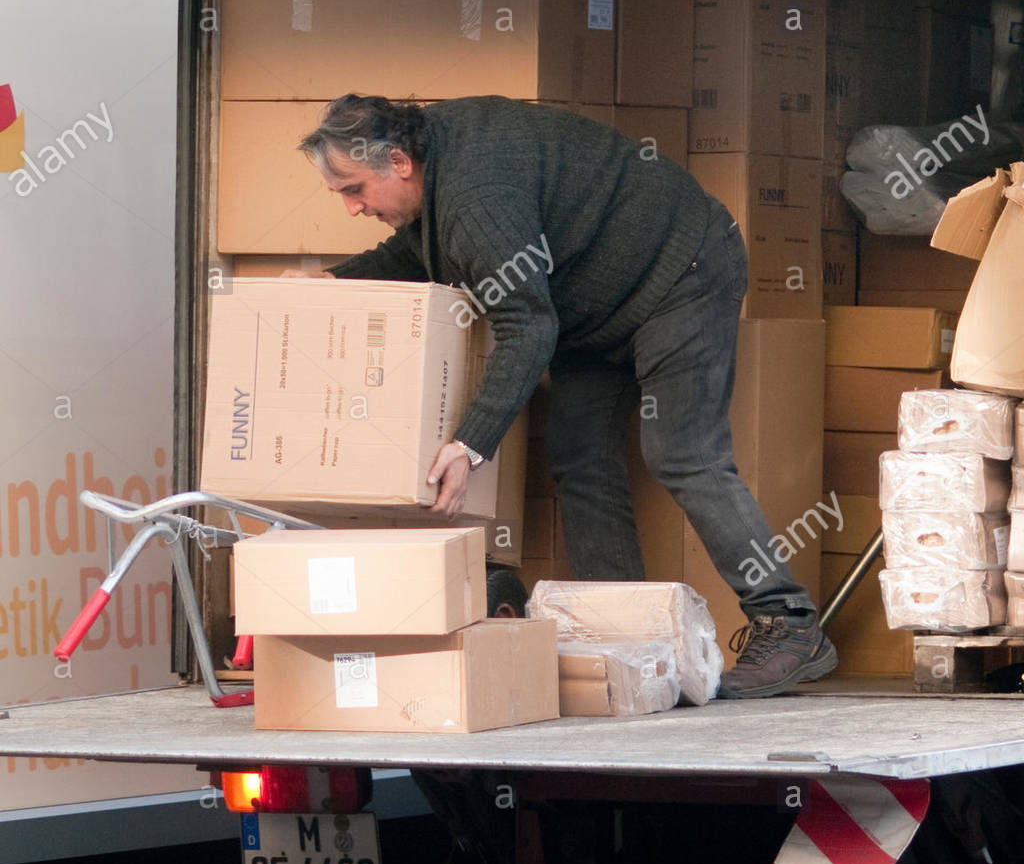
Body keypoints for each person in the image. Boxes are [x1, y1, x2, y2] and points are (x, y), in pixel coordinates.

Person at [290, 93, 837, 698]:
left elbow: (527, 326)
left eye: (353, 188)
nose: (351, 208)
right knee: (579, 457)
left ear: (397, 161)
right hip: (593, 306)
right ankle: (631, 644)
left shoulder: (478, 191)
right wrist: (335, 281)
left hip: (681, 269)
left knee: (682, 453)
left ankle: (788, 624)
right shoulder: (436, 158)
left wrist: (470, 445)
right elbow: (423, 245)